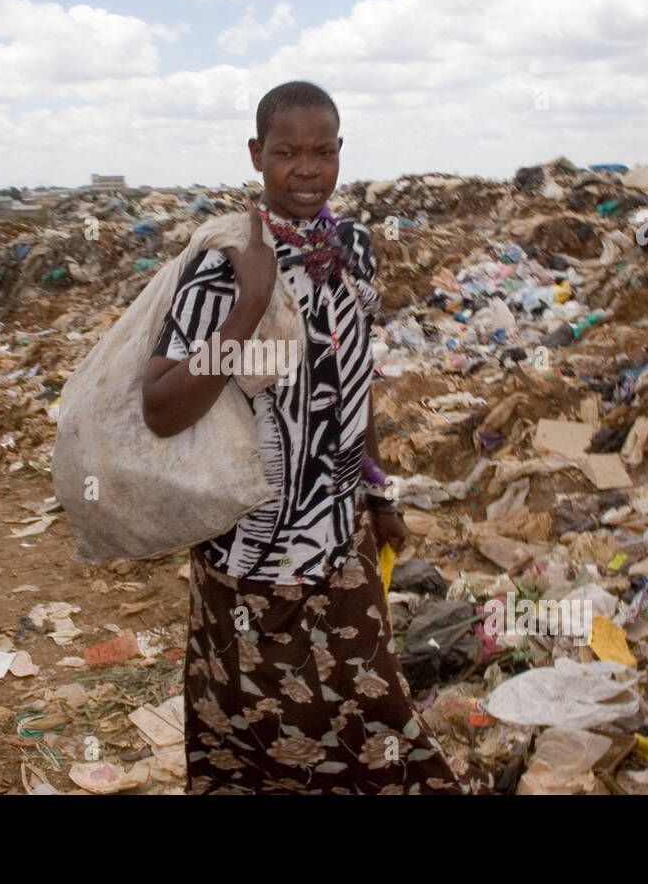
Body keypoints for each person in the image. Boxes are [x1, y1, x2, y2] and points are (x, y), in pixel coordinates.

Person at [142, 81, 461, 794]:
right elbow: (161, 405)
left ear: (341, 154)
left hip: (339, 537)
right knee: (253, 730)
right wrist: (250, 303)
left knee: (372, 712)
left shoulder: (355, 249)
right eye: (287, 152)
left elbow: (356, 379)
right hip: (247, 551)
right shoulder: (224, 259)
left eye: (322, 152)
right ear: (257, 155)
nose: (307, 169)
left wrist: (379, 492)